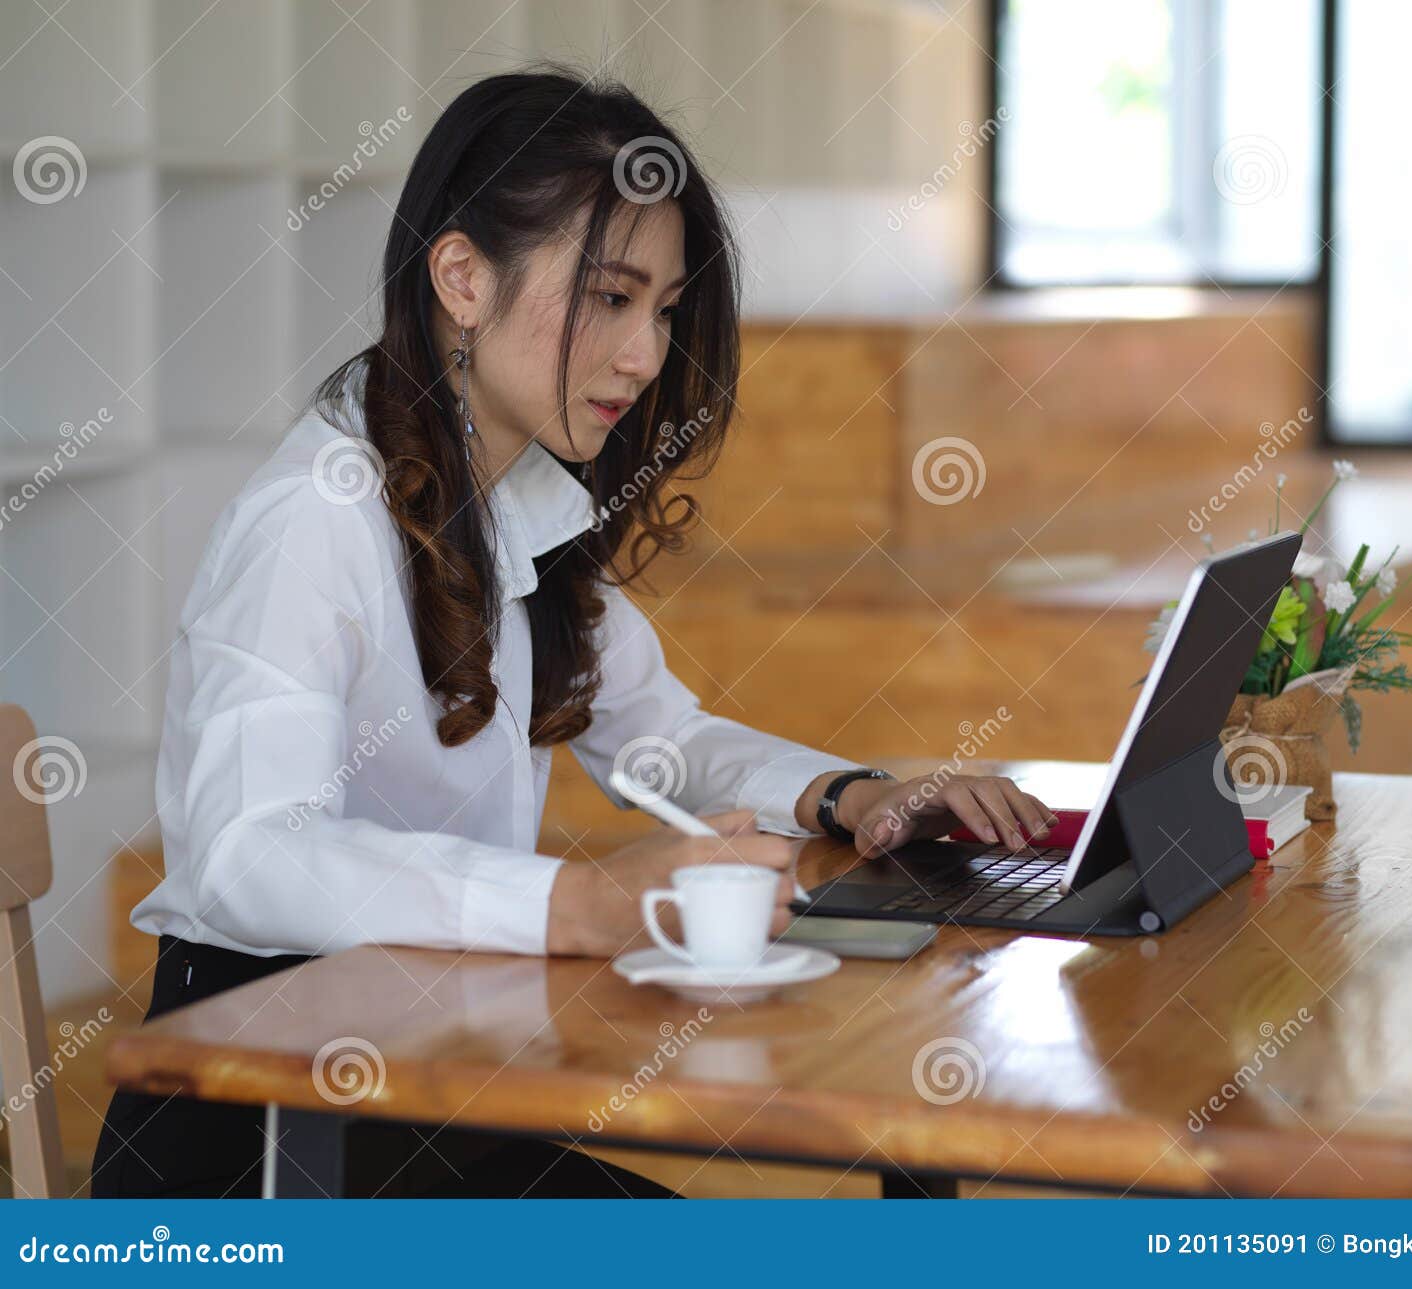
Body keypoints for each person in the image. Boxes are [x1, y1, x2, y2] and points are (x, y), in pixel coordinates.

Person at [91, 66, 1056, 1199]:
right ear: (460, 276)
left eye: (661, 307)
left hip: (433, 1093)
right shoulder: (314, 519)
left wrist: (854, 793)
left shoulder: (514, 507)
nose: (646, 354)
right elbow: (250, 855)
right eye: (609, 297)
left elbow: (666, 738)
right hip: (259, 1137)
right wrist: (576, 903)